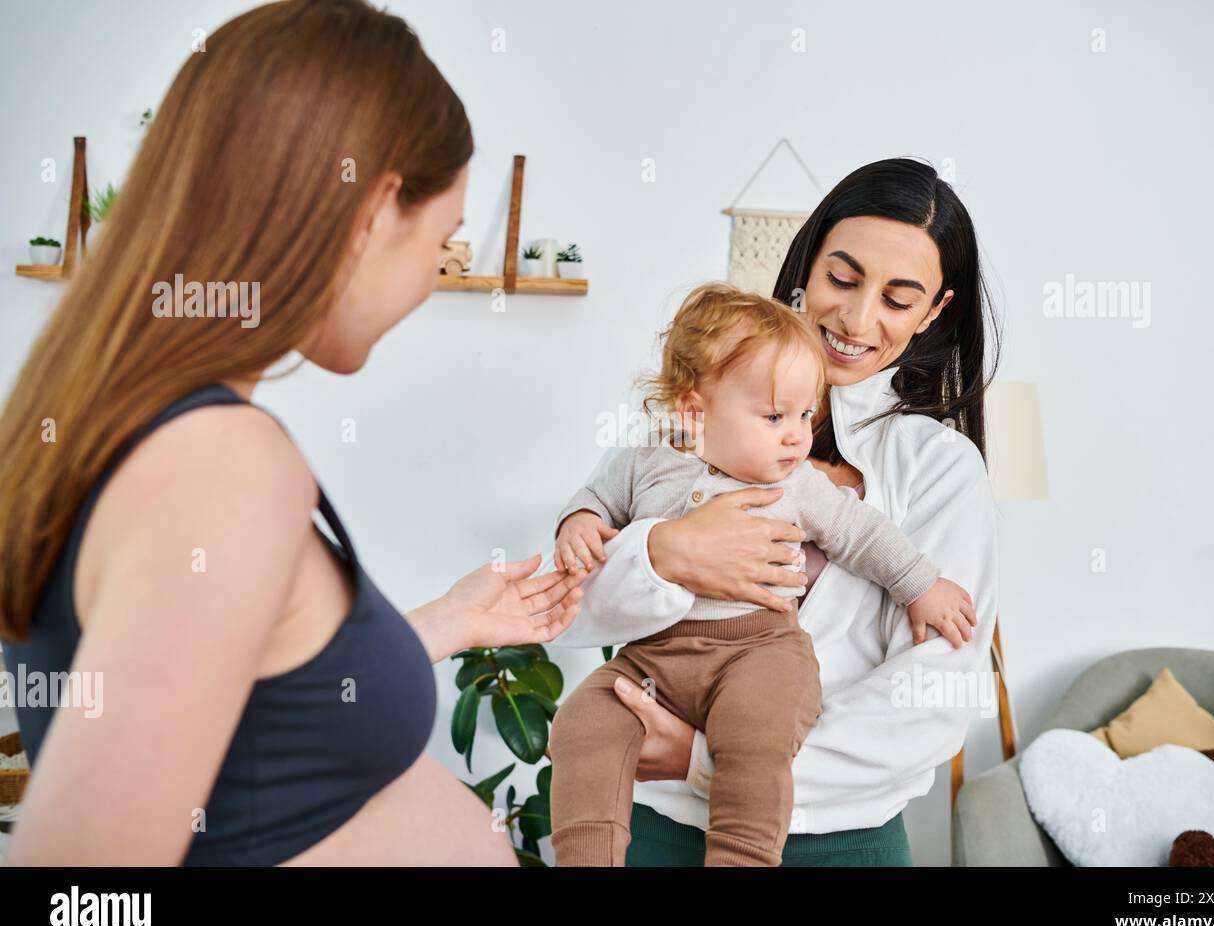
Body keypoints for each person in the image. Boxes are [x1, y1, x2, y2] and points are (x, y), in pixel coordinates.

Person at [0, 0, 582, 866]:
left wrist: (442, 624)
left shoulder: (137, 422)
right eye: (444, 239)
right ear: (377, 210)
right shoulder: (220, 465)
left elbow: (250, 708)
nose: (433, 277)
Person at [544, 157, 1002, 866]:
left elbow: (930, 701)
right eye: (842, 280)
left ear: (935, 311)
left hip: (838, 841)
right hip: (650, 825)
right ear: (806, 266)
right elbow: (569, 607)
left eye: (897, 298)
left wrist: (702, 759)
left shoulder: (940, 468)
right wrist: (665, 552)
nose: (856, 318)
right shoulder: (684, 432)